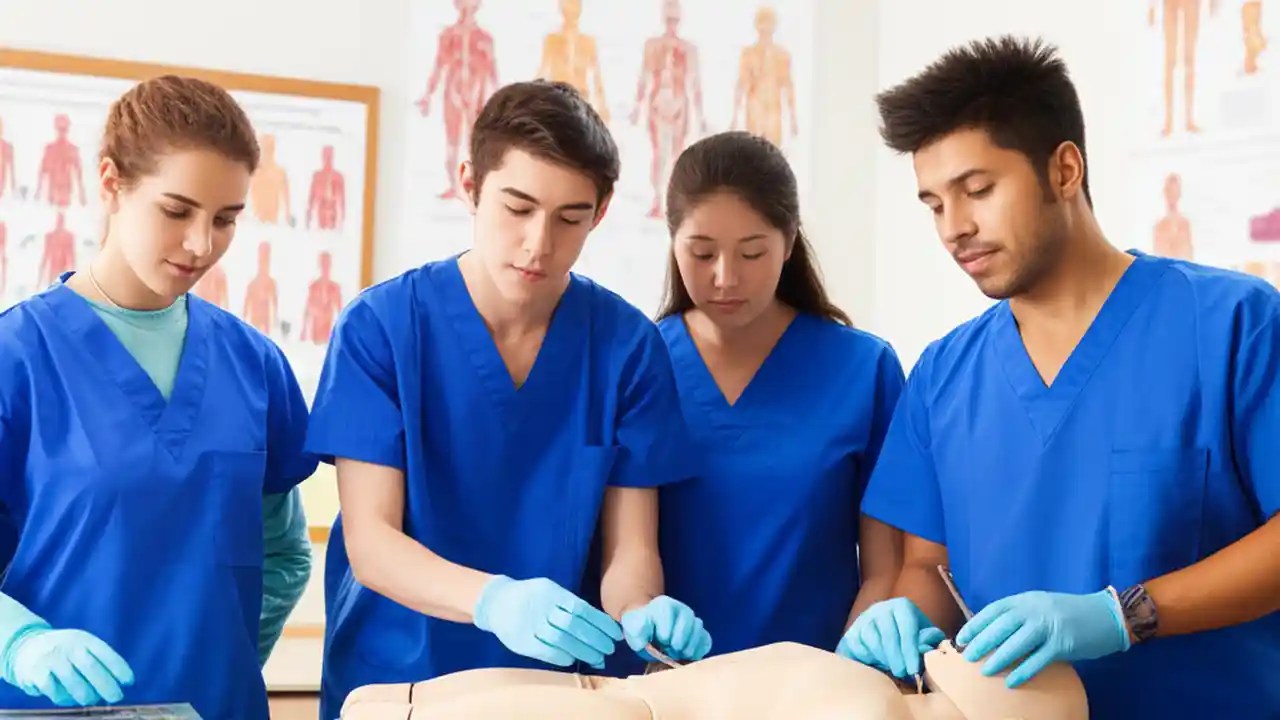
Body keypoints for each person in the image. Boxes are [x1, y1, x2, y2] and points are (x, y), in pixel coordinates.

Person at [844, 36, 1280, 718]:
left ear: (1065, 170)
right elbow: (928, 567)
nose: (955, 228)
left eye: (978, 190)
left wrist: (1126, 614)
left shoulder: (1233, 325)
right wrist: (900, 622)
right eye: (934, 205)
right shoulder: (943, 377)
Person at [305, 79, 712, 720]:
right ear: (469, 182)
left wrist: (641, 611)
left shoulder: (627, 346)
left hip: (557, 691)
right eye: (517, 208)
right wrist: (495, 601)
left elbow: (630, 549)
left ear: (601, 212)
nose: (538, 243)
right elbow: (372, 542)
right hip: (400, 683)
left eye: (570, 218)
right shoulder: (381, 328)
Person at [0, 76, 317, 718]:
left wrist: (220, 666)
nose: (202, 244)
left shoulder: (253, 364)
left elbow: (283, 553)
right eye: (176, 211)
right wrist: (19, 645)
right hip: (48, 710)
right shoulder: (17, 357)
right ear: (111, 182)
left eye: (225, 219)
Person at [648, 131, 907, 665]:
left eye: (752, 252)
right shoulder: (639, 365)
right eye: (702, 253)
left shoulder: (863, 370)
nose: (725, 277)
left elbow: (886, 569)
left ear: (788, 243)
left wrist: (847, 672)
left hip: (816, 685)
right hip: (660, 685)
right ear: (673, 242)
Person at [337, 640, 1088, 720]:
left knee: (597, 698)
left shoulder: (874, 704)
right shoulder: (876, 700)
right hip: (645, 707)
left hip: (639, 705)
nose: (960, 639)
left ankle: (398, 703)